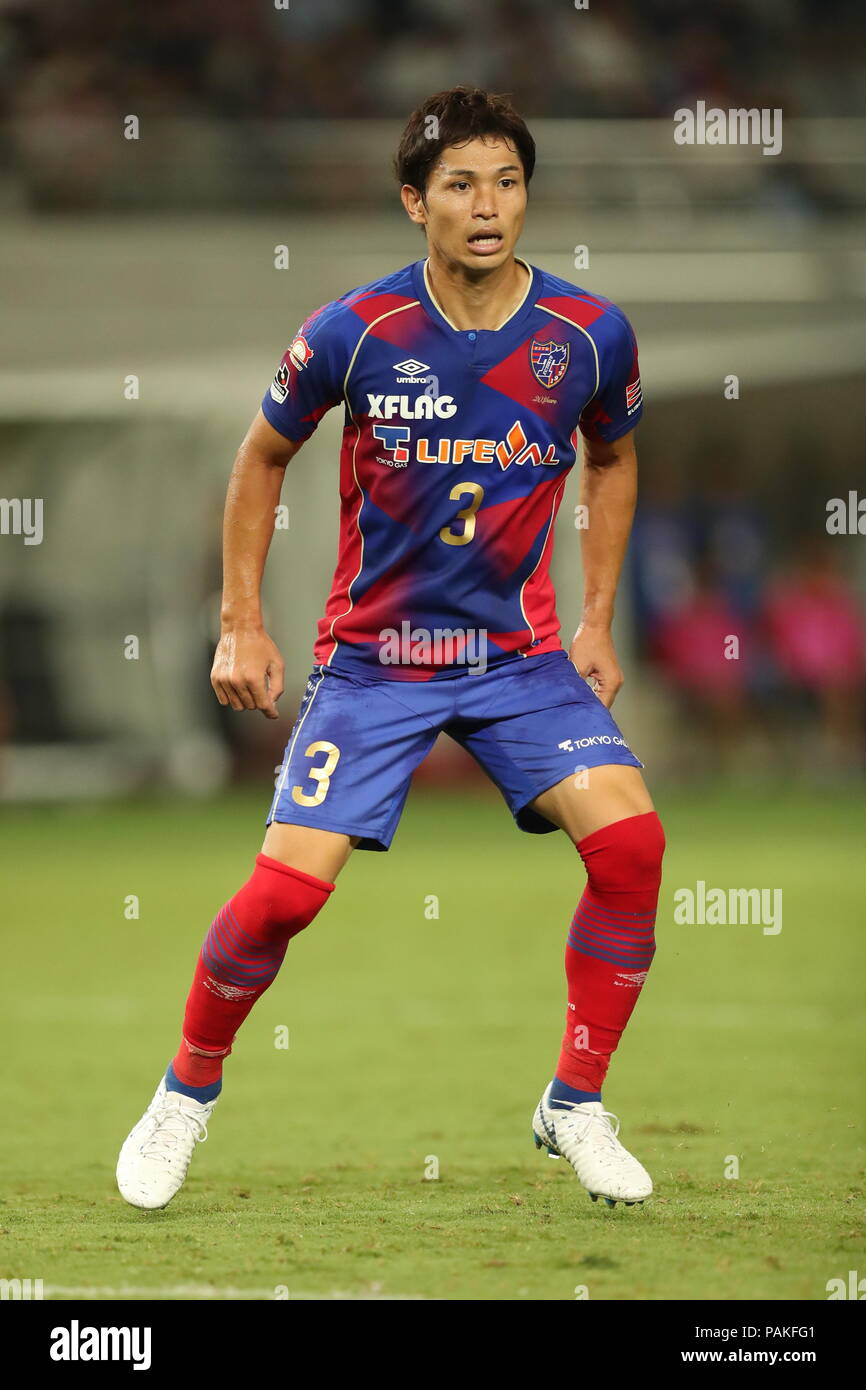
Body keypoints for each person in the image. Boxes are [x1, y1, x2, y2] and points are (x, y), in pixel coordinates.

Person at [117, 86, 665, 1212]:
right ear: (414, 200)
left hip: (518, 659)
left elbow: (610, 461)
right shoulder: (352, 331)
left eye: (506, 182)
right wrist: (242, 619)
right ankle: (184, 1092)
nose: (486, 205)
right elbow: (258, 459)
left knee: (633, 845)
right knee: (280, 899)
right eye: (460, 184)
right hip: (376, 659)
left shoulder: (587, 336)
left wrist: (598, 617)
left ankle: (573, 1103)